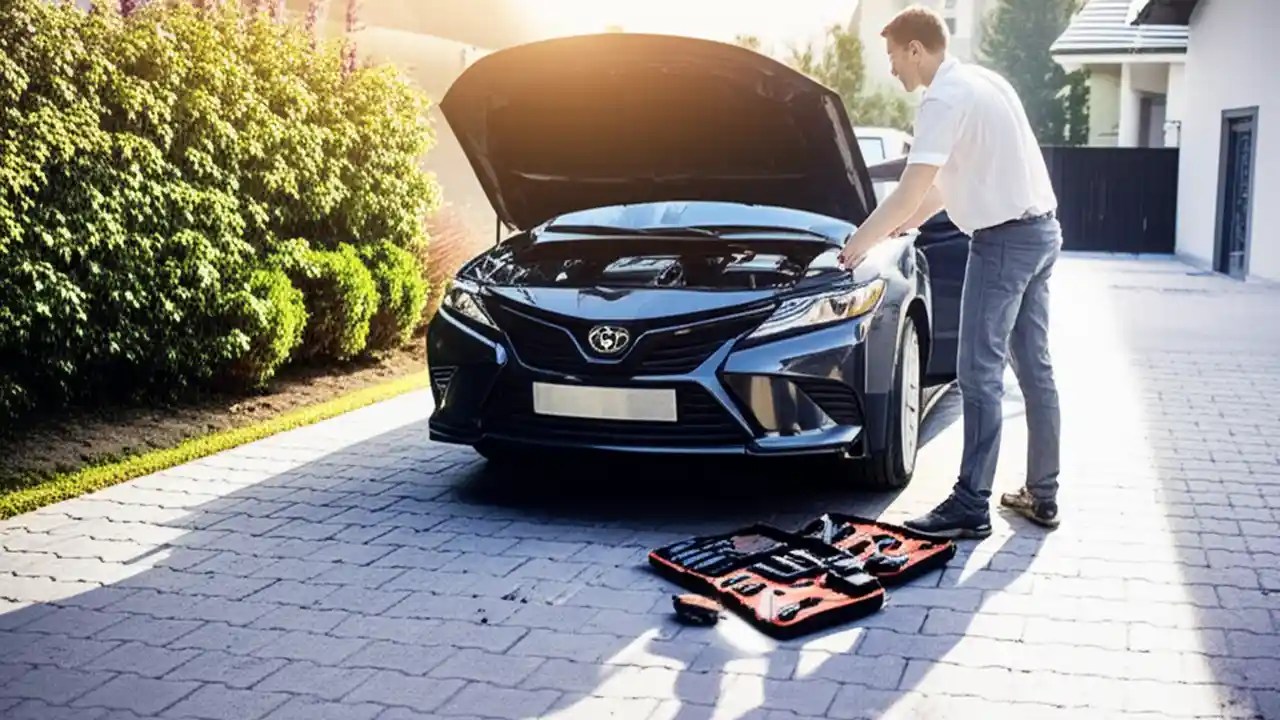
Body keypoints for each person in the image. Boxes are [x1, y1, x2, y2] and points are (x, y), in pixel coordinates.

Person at [837, 5, 1063, 537]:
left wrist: (856, 245)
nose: (892, 69)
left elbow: (912, 187)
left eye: (893, 56)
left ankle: (969, 504)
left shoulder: (941, 97)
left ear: (916, 49)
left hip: (1004, 242)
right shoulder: (984, 82)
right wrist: (904, 227)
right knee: (1035, 370)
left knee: (977, 374)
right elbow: (939, 189)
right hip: (1041, 232)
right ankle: (1044, 493)